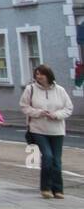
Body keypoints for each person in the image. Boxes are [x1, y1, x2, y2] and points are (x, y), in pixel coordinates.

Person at [20, 64, 73, 199]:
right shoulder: (30, 89)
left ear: (48, 75)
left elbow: (68, 108)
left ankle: (58, 189)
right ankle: (46, 188)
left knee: (57, 160)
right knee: (47, 157)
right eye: (36, 74)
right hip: (38, 129)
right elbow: (24, 107)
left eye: (41, 74)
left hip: (57, 130)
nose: (38, 77)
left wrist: (57, 115)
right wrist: (39, 112)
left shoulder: (60, 90)